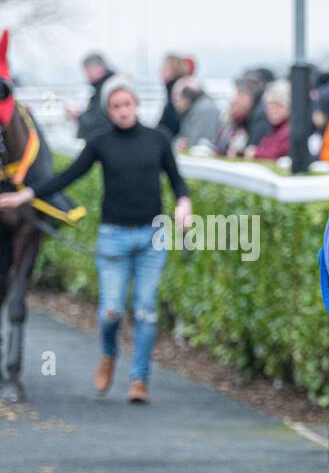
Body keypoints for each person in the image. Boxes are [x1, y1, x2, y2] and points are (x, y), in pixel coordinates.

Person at [0, 76, 190, 404]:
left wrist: (184, 203)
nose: (123, 111)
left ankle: (139, 380)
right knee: (111, 312)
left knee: (146, 311)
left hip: (152, 237)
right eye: (116, 107)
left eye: (127, 104)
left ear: (136, 105)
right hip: (113, 236)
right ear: (109, 111)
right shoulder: (100, 143)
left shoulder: (158, 139)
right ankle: (108, 354)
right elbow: (67, 175)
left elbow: (176, 180)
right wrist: (25, 196)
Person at [66, 52, 114, 140]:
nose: (86, 76)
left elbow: (101, 120)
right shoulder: (106, 85)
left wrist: (78, 116)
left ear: (99, 68)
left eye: (87, 71)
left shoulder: (109, 88)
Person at [172, 76, 220, 151]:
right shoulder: (196, 108)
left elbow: (195, 143)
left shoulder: (205, 110)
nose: (174, 104)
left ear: (187, 98)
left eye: (176, 100)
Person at [251, 79, 292, 160]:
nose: (272, 111)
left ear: (288, 108)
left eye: (278, 106)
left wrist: (255, 153)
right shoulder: (271, 129)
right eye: (270, 106)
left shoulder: (290, 130)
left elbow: (276, 153)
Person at [157, 53, 194, 137]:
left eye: (164, 68)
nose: (160, 72)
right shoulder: (175, 87)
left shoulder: (176, 90)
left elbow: (172, 120)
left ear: (173, 71)